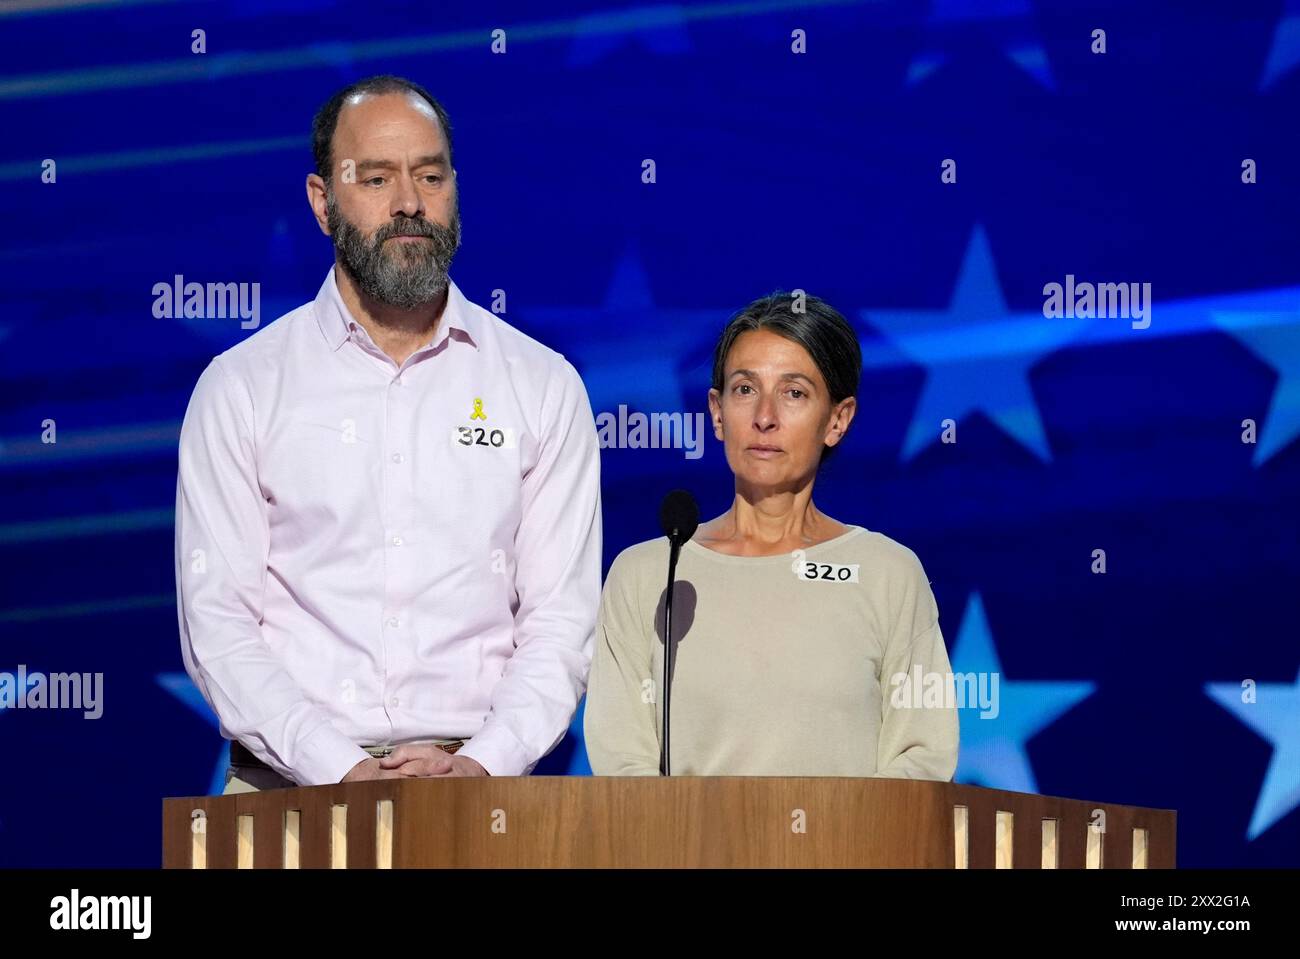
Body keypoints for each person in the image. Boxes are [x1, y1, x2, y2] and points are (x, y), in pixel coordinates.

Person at [175, 75, 601, 792]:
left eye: (430, 176)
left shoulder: (542, 385)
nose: (409, 202)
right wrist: (339, 768)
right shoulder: (242, 386)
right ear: (322, 201)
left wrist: (479, 762)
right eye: (375, 178)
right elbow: (217, 623)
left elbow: (561, 623)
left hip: (481, 786)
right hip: (289, 785)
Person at [584, 292, 957, 778]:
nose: (764, 416)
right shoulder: (649, 574)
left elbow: (921, 758)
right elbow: (621, 764)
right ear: (717, 413)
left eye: (794, 392)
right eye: (744, 389)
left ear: (838, 420)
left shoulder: (888, 573)